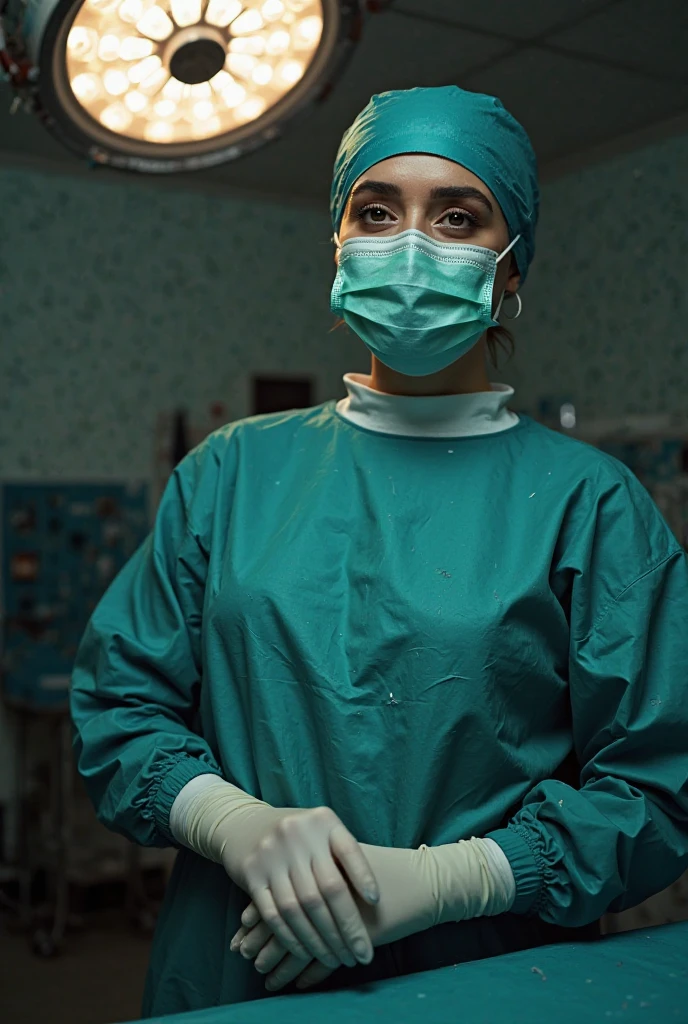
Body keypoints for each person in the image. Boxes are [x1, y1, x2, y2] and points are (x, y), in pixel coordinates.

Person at [70, 86, 688, 1017]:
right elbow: (120, 707)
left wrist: (451, 880)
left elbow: (656, 791)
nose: (409, 244)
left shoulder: (589, 504)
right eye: (375, 210)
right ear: (338, 244)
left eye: (457, 215)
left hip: (486, 972)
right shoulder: (232, 472)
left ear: (511, 266)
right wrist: (233, 822)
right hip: (243, 962)